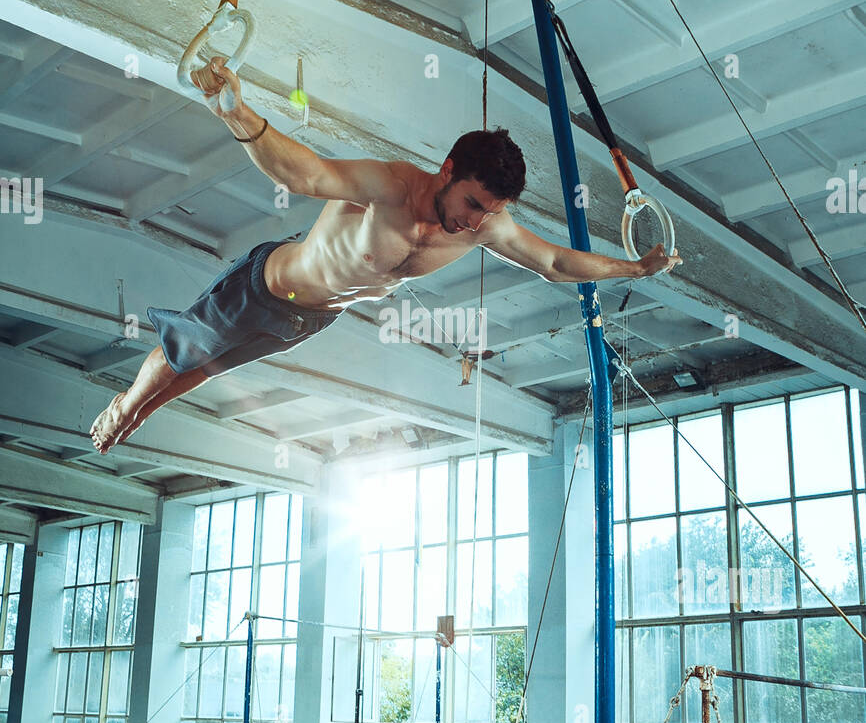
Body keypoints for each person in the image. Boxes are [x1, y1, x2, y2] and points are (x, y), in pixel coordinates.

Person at [90, 57, 681, 453]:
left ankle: (138, 411)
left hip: (309, 319)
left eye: (489, 212)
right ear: (447, 171)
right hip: (269, 285)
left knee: (209, 368)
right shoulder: (392, 185)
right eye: (472, 202)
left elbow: (554, 264)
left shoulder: (483, 225)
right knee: (181, 355)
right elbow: (308, 173)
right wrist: (237, 112)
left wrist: (633, 268)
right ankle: (125, 408)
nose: (475, 221)